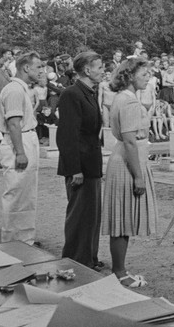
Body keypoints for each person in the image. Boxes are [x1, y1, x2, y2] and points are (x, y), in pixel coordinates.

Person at [102, 58, 158, 288]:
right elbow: (130, 142)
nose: (148, 77)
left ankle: (120, 269)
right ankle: (119, 272)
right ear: (130, 76)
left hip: (125, 158)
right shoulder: (129, 102)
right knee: (122, 220)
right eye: (144, 73)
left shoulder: (123, 98)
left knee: (122, 219)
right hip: (127, 162)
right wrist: (138, 176)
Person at [56, 51, 105, 269]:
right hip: (80, 166)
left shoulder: (89, 93)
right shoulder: (72, 94)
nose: (103, 71)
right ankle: (76, 260)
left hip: (91, 163)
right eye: (100, 67)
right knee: (80, 216)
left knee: (92, 216)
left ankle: (88, 257)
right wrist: (74, 168)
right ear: (87, 70)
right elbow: (67, 135)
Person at [0, 51, 45, 244]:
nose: (42, 70)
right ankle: (12, 242)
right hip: (19, 141)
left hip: (26, 138)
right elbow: (14, 123)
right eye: (38, 66)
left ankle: (24, 239)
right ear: (26, 67)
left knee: (26, 195)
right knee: (16, 193)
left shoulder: (21, 88)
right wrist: (21, 152)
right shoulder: (15, 89)